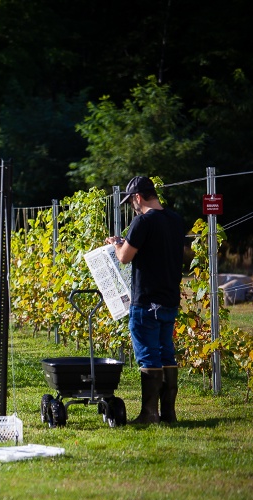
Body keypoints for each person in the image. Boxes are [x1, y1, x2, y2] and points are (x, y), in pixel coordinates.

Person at [105, 176, 185, 424]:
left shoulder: (142, 221)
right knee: (166, 353)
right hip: (169, 298)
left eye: (131, 202)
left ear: (138, 197)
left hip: (146, 300)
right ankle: (168, 413)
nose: (133, 207)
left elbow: (124, 257)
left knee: (149, 355)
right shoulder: (175, 220)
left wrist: (117, 244)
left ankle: (149, 414)